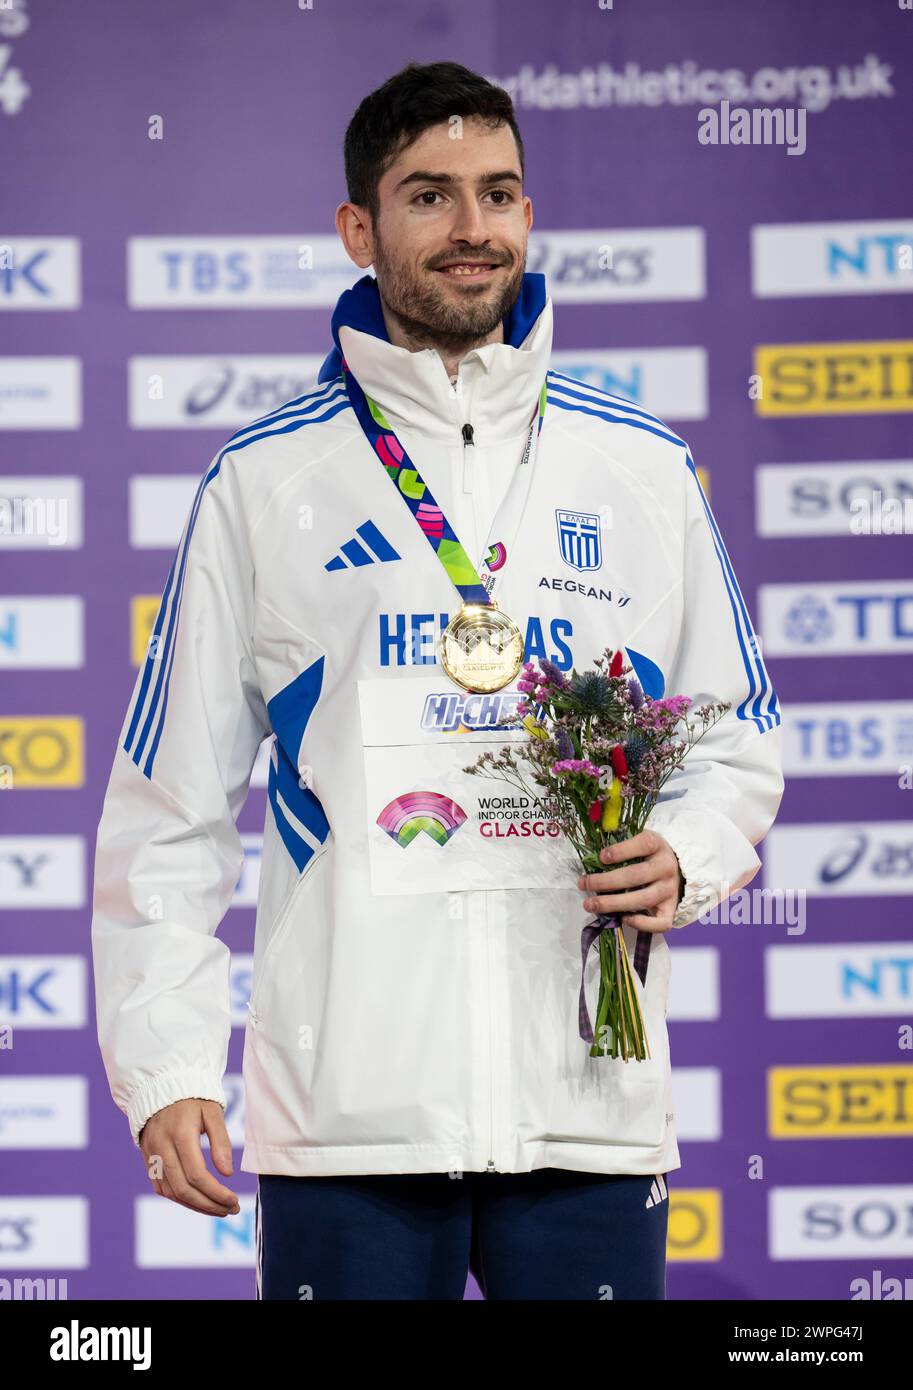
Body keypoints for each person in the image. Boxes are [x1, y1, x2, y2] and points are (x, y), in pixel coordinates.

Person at [91, 60, 784, 1300]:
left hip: (586, 1105)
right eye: (430, 196)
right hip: (347, 1110)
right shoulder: (261, 485)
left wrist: (685, 850)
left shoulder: (641, 467)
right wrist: (167, 1065)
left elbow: (738, 738)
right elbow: (171, 808)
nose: (474, 229)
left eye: (500, 193)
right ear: (359, 229)